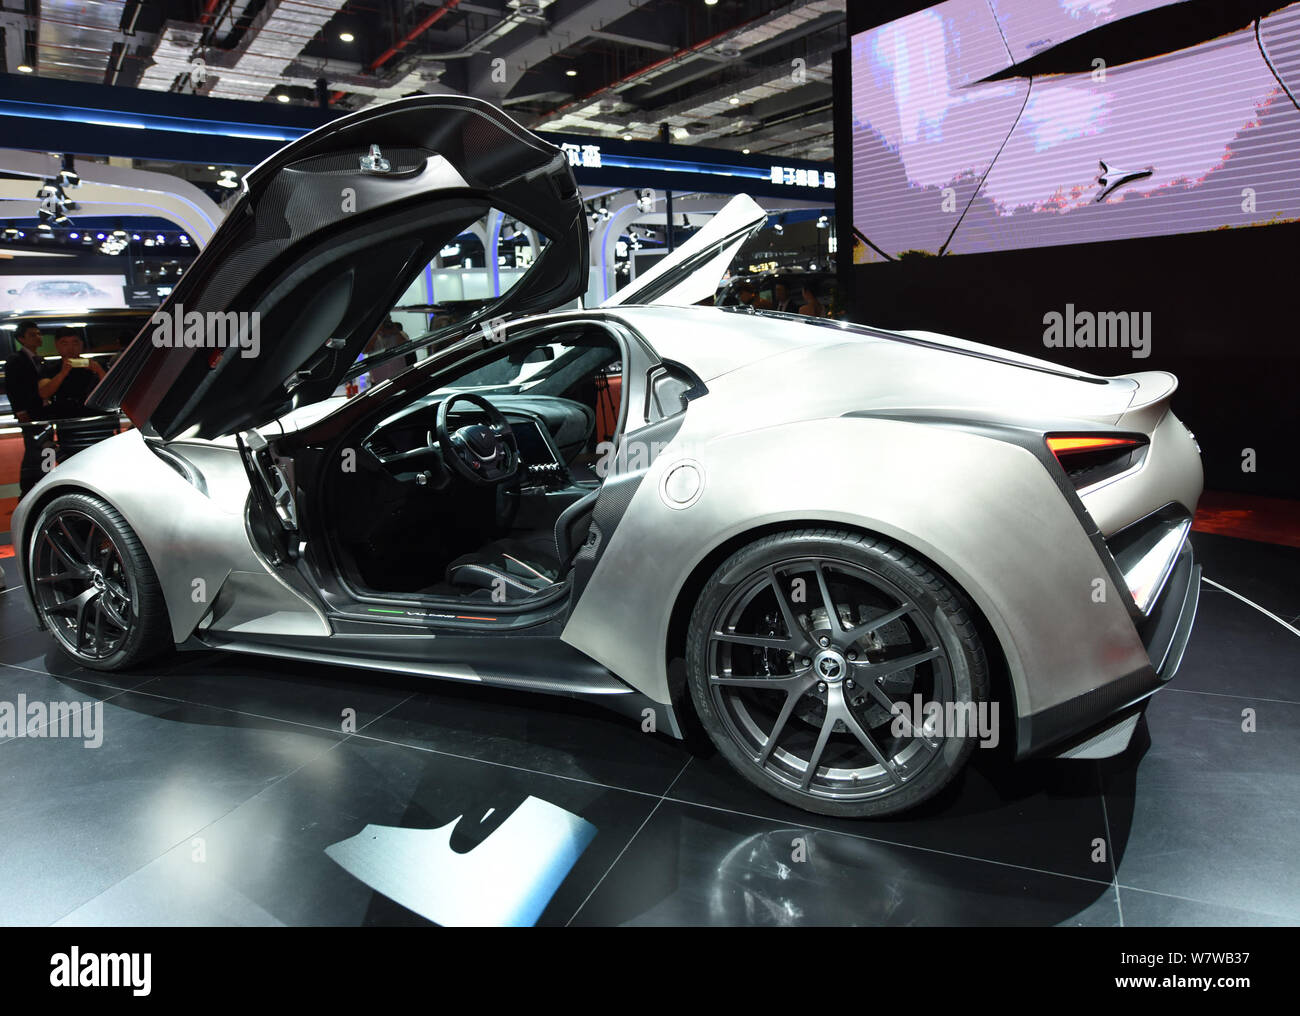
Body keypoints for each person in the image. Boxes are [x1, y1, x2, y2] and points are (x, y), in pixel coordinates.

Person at [5, 320, 50, 496]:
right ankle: (28, 489)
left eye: (38, 333)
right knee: (33, 450)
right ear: (21, 339)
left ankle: (45, 481)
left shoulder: (40, 359)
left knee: (46, 447)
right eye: (32, 335)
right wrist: (20, 411)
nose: (38, 337)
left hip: (44, 412)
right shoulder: (15, 359)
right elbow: (12, 387)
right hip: (30, 414)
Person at [38, 328, 106, 418]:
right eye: (64, 344)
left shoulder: (96, 364)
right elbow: (44, 393)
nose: (70, 348)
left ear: (81, 344)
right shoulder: (50, 368)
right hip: (63, 416)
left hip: (94, 414)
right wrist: (62, 373)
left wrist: (99, 371)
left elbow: (112, 390)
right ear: (56, 345)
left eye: (75, 343)